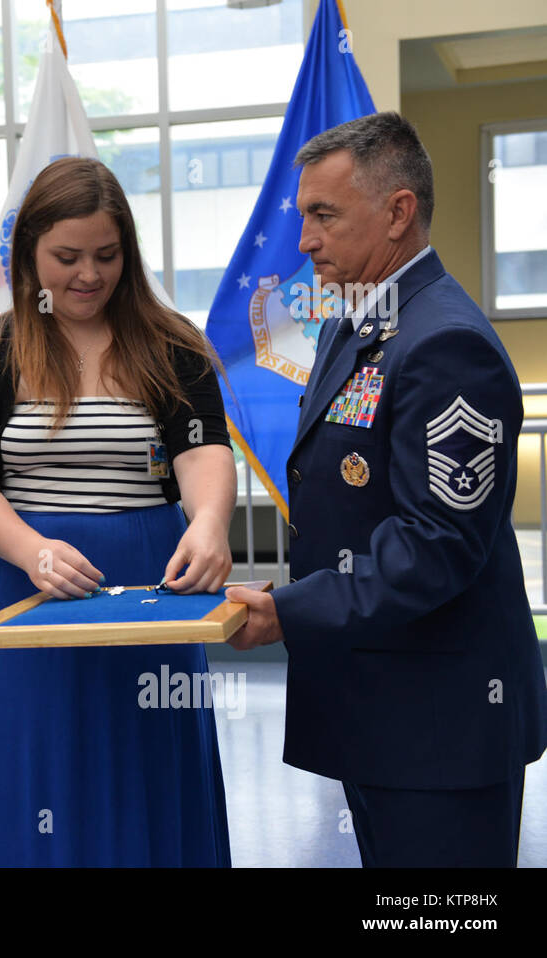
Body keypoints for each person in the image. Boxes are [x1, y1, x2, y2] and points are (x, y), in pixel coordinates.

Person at [226, 112, 547, 867]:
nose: (304, 241)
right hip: (380, 705)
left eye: (323, 215)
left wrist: (290, 612)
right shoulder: (357, 325)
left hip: (444, 722)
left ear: (398, 211)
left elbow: (436, 547)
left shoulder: (444, 344)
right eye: (304, 215)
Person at [0, 156, 236, 866]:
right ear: (28, 255)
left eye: (106, 255)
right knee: (28, 770)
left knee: (144, 775)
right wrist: (29, 549)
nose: (88, 275)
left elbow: (202, 452)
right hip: (22, 590)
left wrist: (209, 522)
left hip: (148, 594)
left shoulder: (170, 344)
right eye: (66, 257)